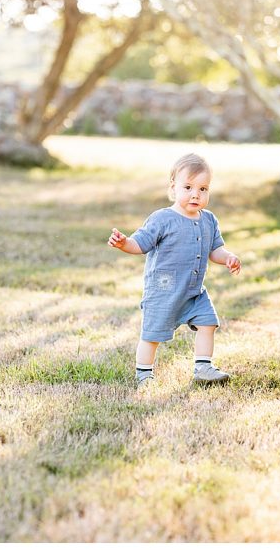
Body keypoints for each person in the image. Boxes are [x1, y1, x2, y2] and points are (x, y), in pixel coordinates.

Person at [107, 153, 242, 388]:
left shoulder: (209, 220)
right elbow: (140, 244)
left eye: (203, 189)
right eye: (188, 187)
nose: (196, 194)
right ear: (173, 188)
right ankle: (144, 374)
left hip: (194, 292)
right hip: (163, 291)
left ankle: (203, 367)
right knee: (152, 335)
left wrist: (228, 257)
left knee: (208, 323)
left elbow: (215, 249)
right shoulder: (162, 219)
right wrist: (124, 243)